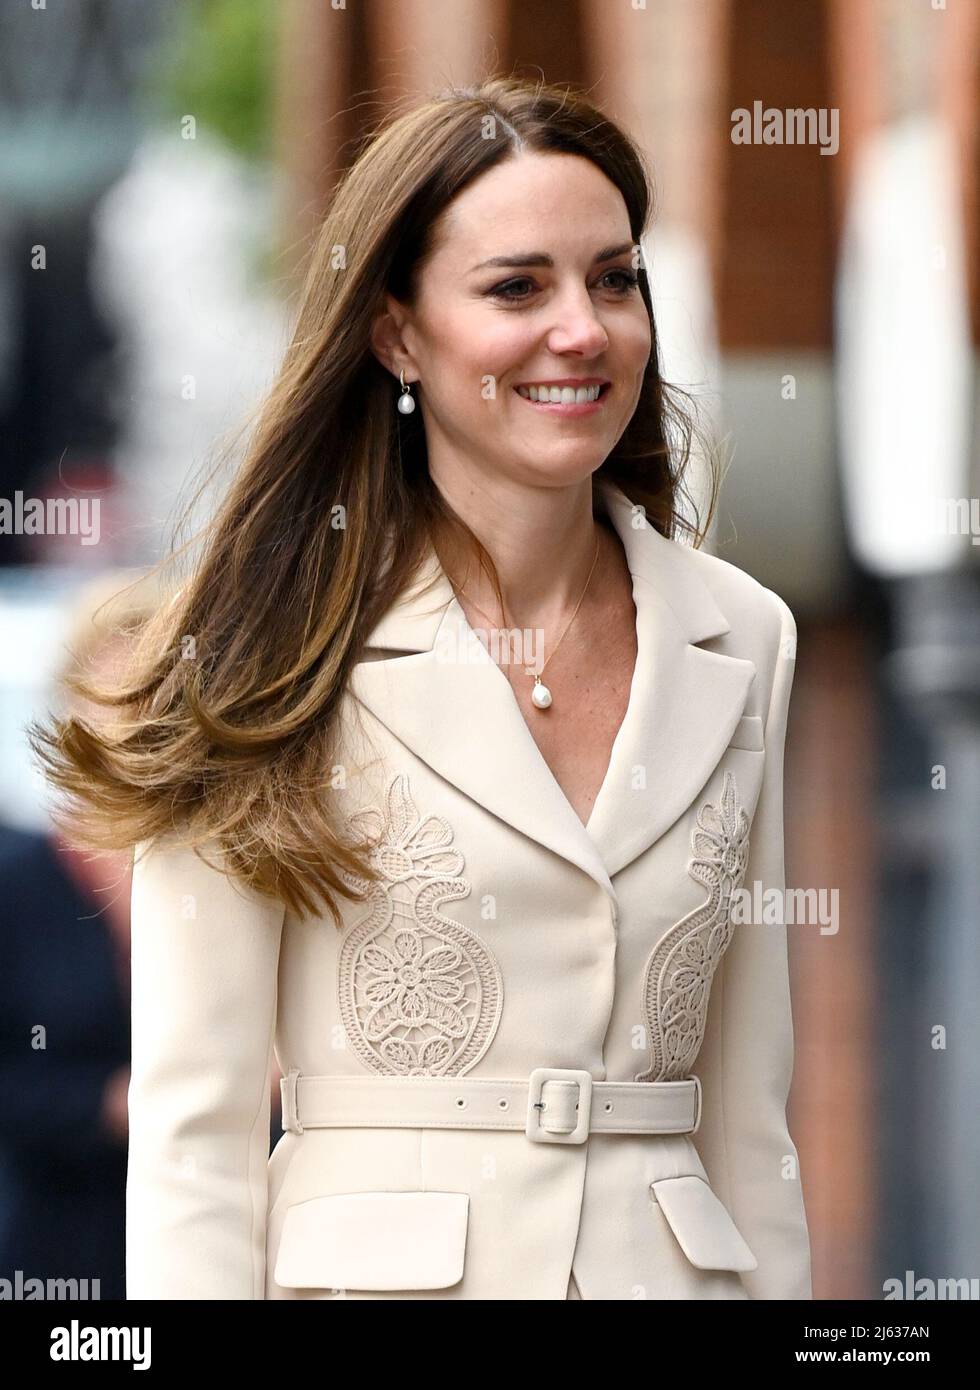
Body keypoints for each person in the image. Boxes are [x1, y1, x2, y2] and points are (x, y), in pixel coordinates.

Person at [29, 75, 812, 1300]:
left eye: (613, 278)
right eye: (516, 286)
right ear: (396, 332)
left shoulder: (745, 635)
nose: (583, 328)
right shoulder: (258, 645)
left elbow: (752, 1124)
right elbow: (197, 1147)